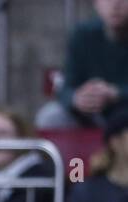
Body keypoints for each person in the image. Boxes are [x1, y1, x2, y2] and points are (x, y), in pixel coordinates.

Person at [36, 0, 128, 129]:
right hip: (90, 113)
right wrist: (76, 98)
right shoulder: (82, 34)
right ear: (96, 3)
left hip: (123, 109)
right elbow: (66, 86)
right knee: (50, 116)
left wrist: (115, 93)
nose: (115, 4)